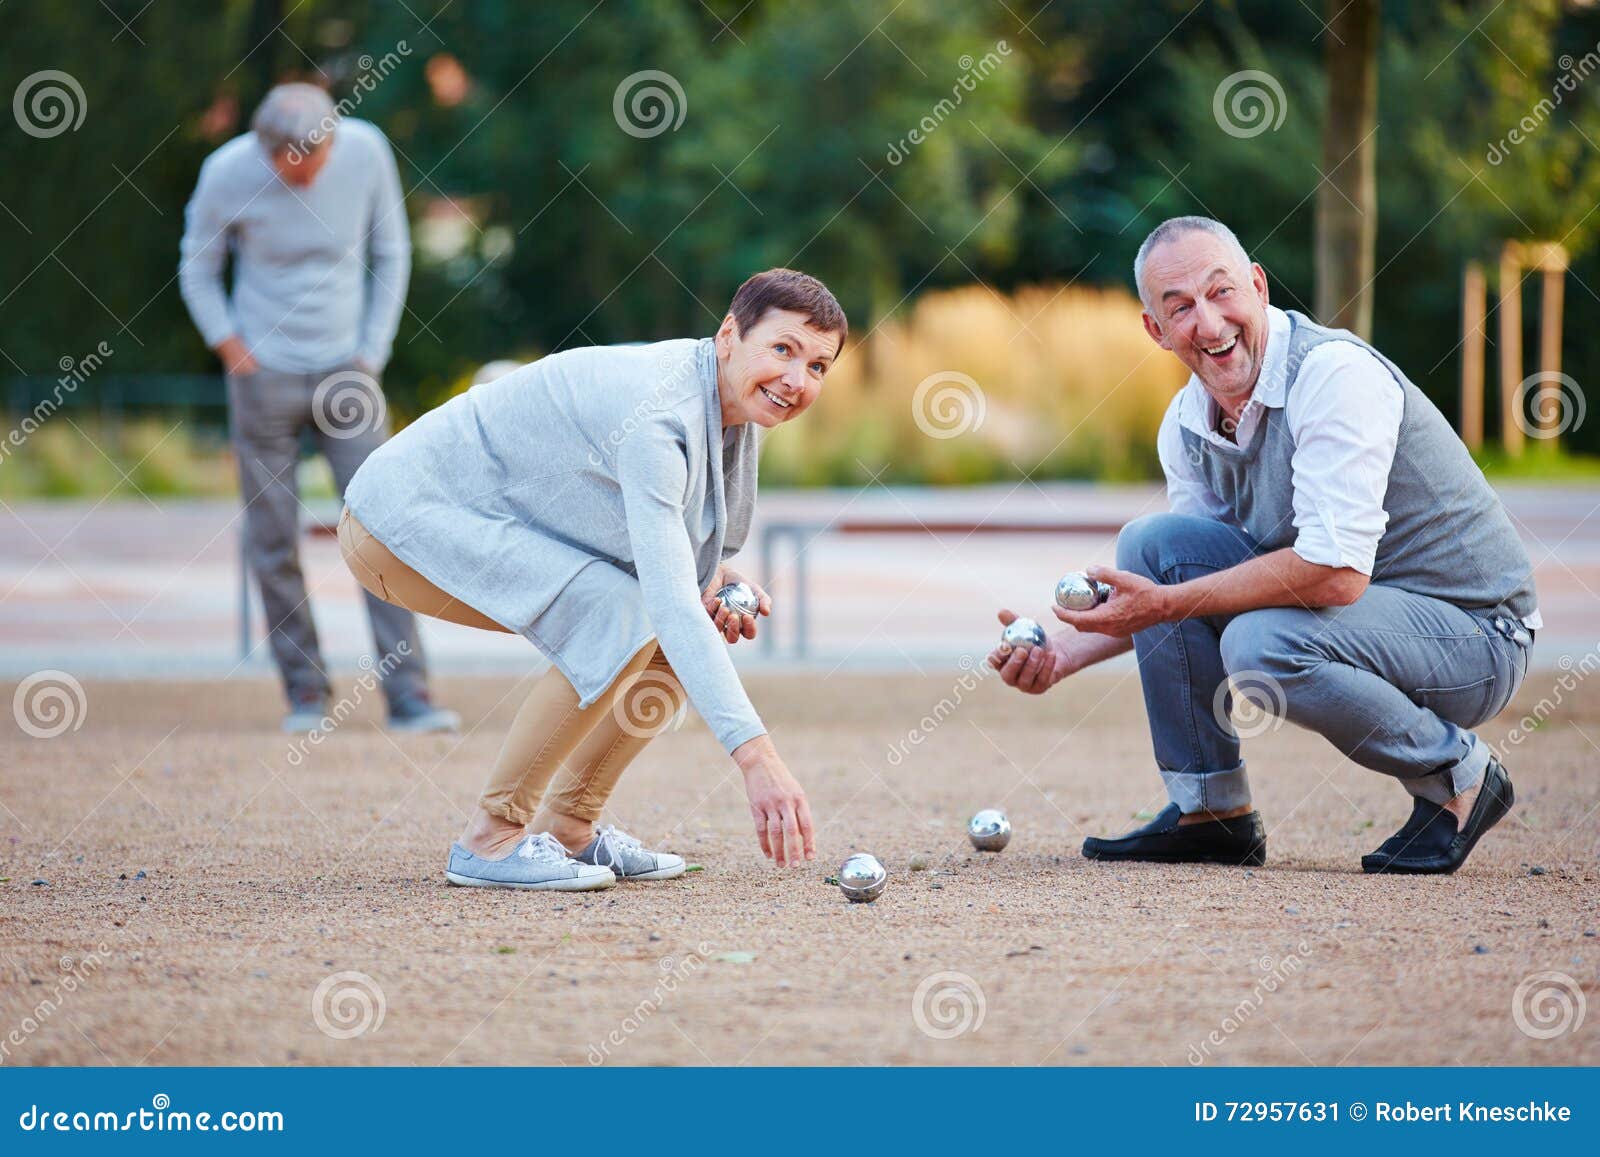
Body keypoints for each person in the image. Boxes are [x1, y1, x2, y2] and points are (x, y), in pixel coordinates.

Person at [990, 216, 1537, 875]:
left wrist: (1163, 604)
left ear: (1257, 286)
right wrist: (1067, 651)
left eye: (1222, 292)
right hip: (1367, 623)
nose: (1210, 323)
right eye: (1180, 308)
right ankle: (1210, 812)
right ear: (1155, 331)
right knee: (1153, 543)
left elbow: (1334, 575)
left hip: (1476, 634)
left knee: (1261, 644)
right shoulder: (1187, 424)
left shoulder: (1332, 375)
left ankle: (1461, 779)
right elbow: (1181, 591)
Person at [337, 269, 844, 890]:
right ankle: (490, 839)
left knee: (671, 621)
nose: (796, 380)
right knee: (624, 613)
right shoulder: (662, 414)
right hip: (397, 521)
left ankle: (571, 830)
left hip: (473, 520)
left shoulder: (732, 406)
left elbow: (673, 563)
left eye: (819, 366)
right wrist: (757, 759)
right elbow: (666, 594)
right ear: (729, 335)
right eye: (783, 349)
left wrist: (709, 577)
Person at [178, 83, 457, 735]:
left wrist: (371, 352)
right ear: (266, 151)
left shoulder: (366, 151)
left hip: (348, 372)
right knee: (273, 534)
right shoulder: (226, 171)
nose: (306, 171)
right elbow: (198, 265)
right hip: (262, 375)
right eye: (292, 162)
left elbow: (392, 251)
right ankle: (305, 690)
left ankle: (409, 695)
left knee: (380, 526)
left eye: (316, 157)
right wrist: (231, 348)